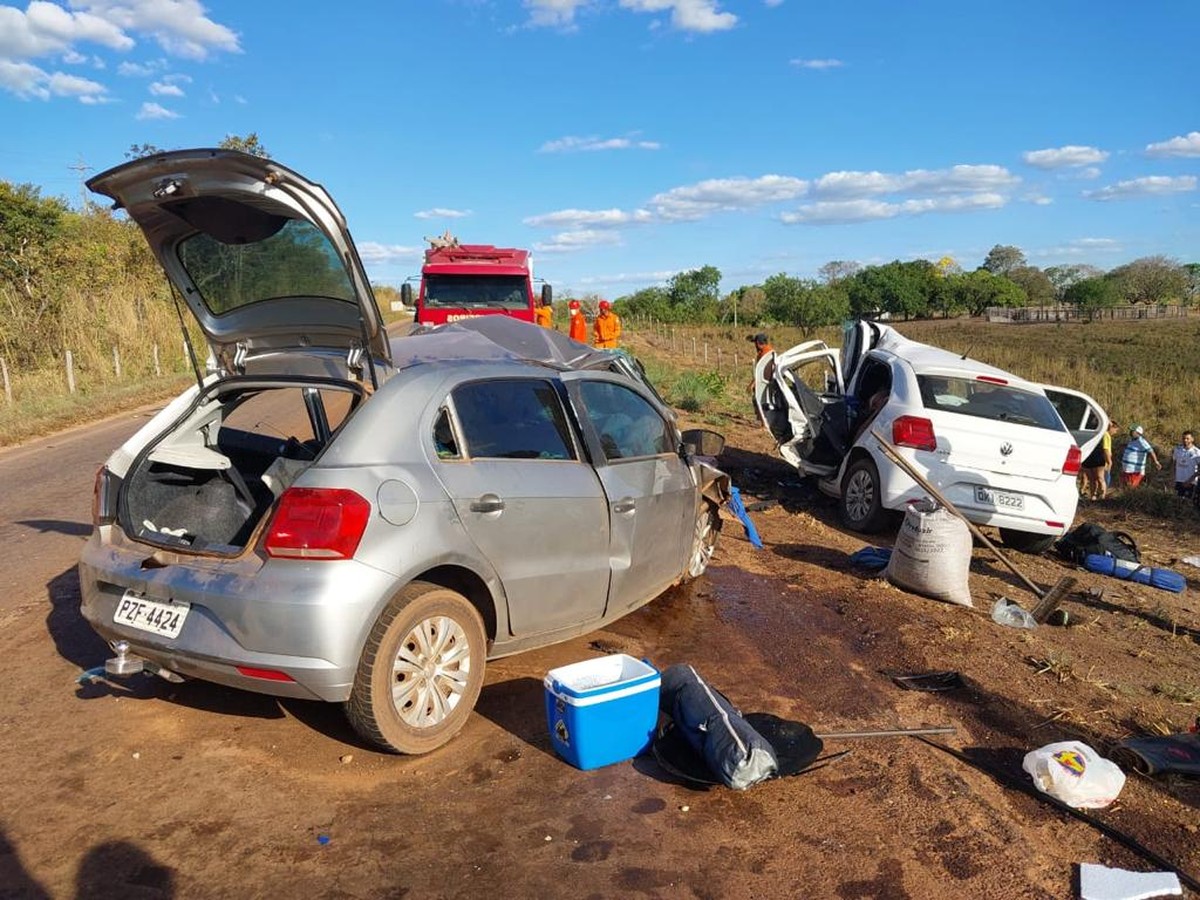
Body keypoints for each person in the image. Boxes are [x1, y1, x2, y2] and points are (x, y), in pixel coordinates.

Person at [1081, 421, 1118, 500]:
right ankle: (1094, 495)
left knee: (1098, 478)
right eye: (1115, 430)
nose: (1115, 432)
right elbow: (1106, 449)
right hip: (1095, 457)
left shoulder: (1102, 434)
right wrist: (1109, 461)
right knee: (1095, 478)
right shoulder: (1104, 434)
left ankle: (1101, 495)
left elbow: (1106, 449)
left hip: (1095, 457)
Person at [1119, 424, 1161, 488]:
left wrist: (1156, 462)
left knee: (1131, 489)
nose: (1130, 432)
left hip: (1135, 471)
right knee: (1124, 488)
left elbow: (1151, 451)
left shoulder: (1141, 441)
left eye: (1132, 431)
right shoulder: (1131, 441)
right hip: (1127, 470)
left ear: (1138, 432)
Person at [1170, 430, 1200, 498]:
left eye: (1187, 438)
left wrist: (1190, 480)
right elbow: (1173, 464)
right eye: (1183, 438)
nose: (1185, 440)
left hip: (1190, 482)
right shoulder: (1177, 449)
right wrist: (1172, 478)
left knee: (1187, 503)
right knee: (1177, 501)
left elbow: (1199, 470)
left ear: (1192, 439)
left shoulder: (1197, 452)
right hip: (1178, 480)